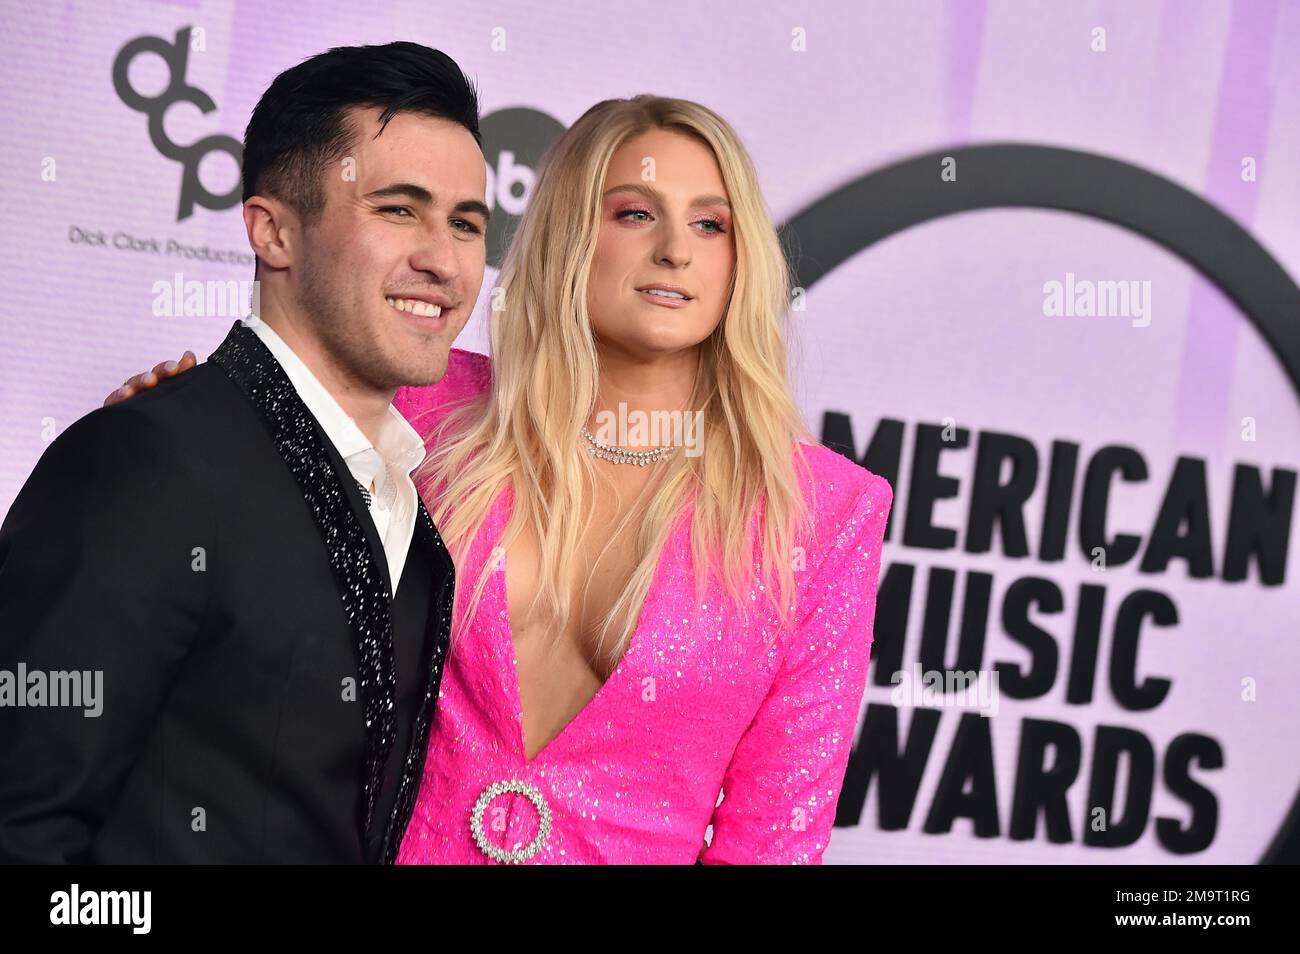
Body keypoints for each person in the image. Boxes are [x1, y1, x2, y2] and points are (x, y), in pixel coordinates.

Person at [105, 95, 893, 864]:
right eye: (635, 213)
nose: (675, 252)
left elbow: (775, 838)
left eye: (709, 224)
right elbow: (229, 564)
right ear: (566, 234)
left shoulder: (825, 513)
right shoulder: (420, 400)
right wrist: (173, 444)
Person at [0, 41, 487, 863]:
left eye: (467, 223)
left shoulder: (417, 516)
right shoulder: (144, 459)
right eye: (398, 210)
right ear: (274, 233)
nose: (442, 259)